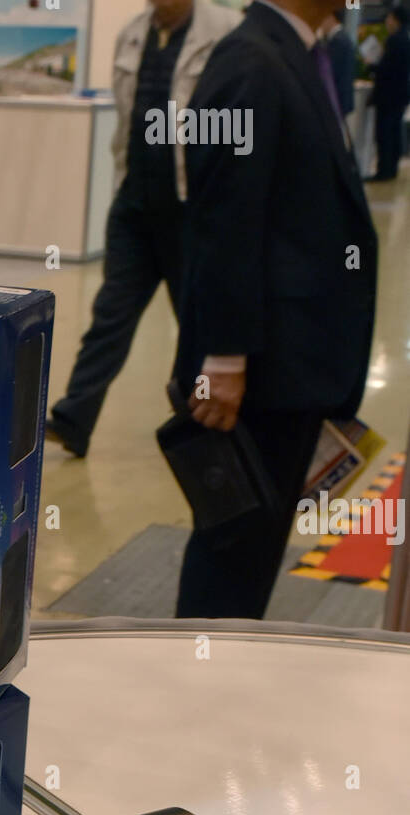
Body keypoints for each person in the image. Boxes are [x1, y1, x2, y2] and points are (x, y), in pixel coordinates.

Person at [172, 0, 378, 620]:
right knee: (232, 548)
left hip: (294, 361)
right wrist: (225, 356)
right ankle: (197, 688)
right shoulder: (250, 62)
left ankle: (219, 673)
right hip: (259, 370)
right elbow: (223, 221)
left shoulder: (301, 56)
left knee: (254, 550)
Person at [48, 0, 239, 460]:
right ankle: (75, 418)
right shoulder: (133, 35)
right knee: (111, 312)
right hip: (136, 202)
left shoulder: (227, 32)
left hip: (190, 205)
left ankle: (194, 422)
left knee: (193, 322)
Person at [368, 3, 410, 181]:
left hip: (388, 95)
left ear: (396, 20)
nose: (387, 22)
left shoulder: (394, 40)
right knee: (393, 132)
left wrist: (372, 65)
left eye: (389, 18)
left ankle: (383, 170)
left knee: (384, 133)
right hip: (400, 95)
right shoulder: (406, 38)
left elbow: (387, 68)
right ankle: (391, 168)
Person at [321, 9, 356, 117]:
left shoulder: (338, 41)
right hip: (342, 99)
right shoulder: (344, 38)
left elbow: (330, 72)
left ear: (331, 17)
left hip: (336, 100)